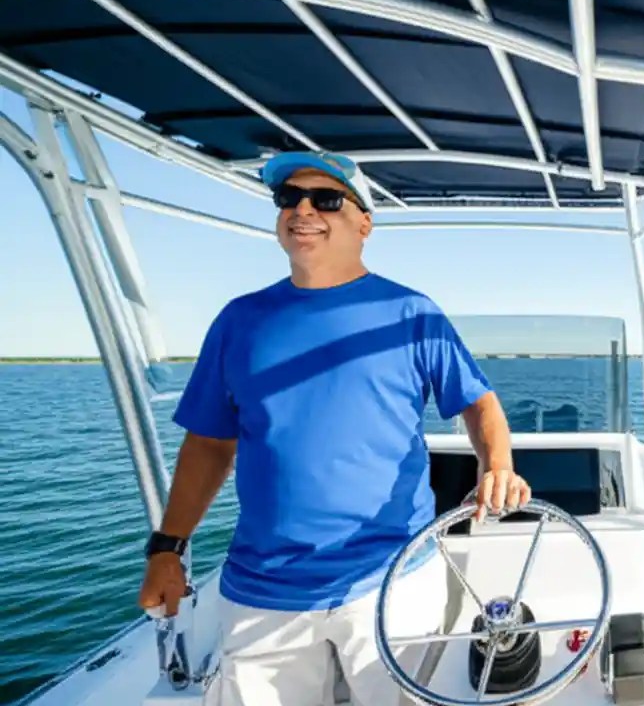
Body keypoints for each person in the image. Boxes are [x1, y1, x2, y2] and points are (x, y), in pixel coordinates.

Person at [136, 151, 530, 705]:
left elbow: (478, 402)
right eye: (289, 198)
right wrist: (167, 548)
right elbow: (208, 443)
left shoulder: (412, 314)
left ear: (364, 223)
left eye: (325, 199)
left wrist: (498, 465)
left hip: (392, 578)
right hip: (263, 589)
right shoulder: (239, 321)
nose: (303, 210)